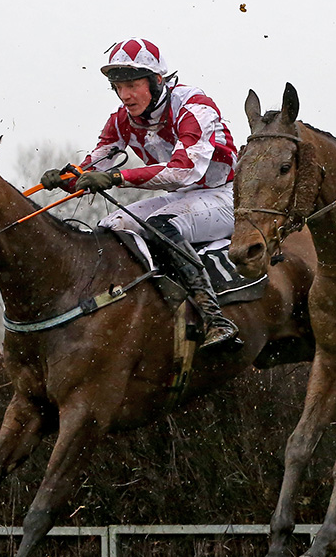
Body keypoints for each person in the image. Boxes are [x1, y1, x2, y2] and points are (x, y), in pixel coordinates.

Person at [40, 37, 240, 348]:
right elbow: (94, 167)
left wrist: (117, 177)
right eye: (118, 87)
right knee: (110, 227)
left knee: (161, 225)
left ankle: (215, 319)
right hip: (183, 197)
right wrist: (67, 178)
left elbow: (184, 170)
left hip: (227, 195)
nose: (125, 95)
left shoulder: (194, 106)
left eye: (133, 85)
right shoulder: (121, 119)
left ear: (157, 80)